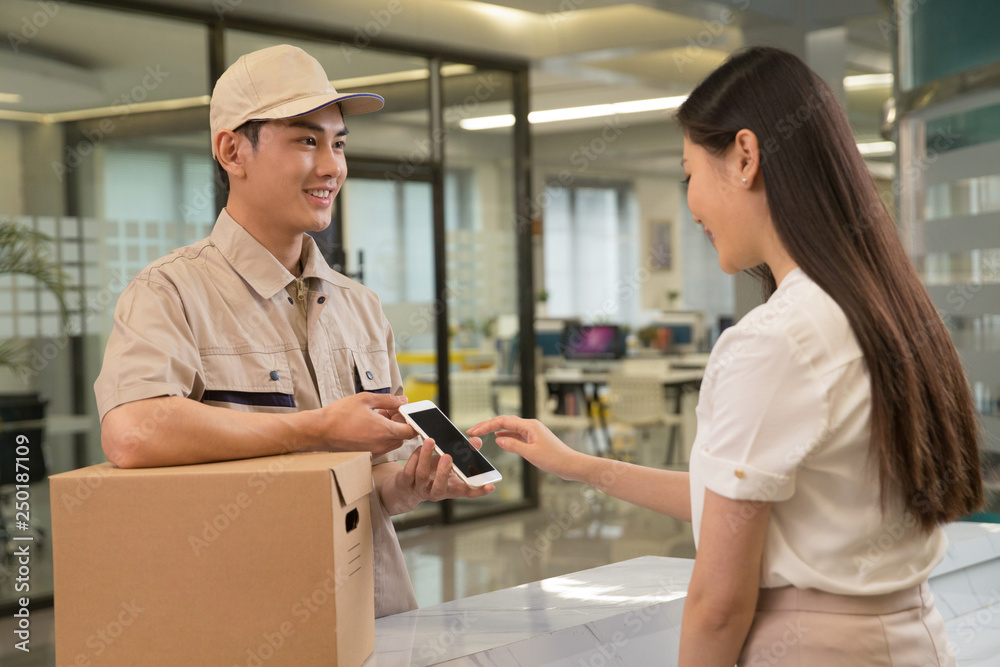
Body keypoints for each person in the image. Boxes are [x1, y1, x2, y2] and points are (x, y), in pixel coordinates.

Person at [470, 46, 983, 666]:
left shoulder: (774, 339)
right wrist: (580, 466)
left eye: (690, 175)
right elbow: (742, 500)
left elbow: (717, 602)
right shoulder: (881, 308)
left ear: (745, 157)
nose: (690, 208)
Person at [95, 44, 494, 618]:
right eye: (306, 140)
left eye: (338, 143)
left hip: (376, 613)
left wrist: (407, 486)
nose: (331, 166)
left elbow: (368, 480)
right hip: (255, 619)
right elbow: (132, 434)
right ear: (233, 150)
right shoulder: (169, 293)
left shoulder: (360, 306)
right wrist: (315, 428)